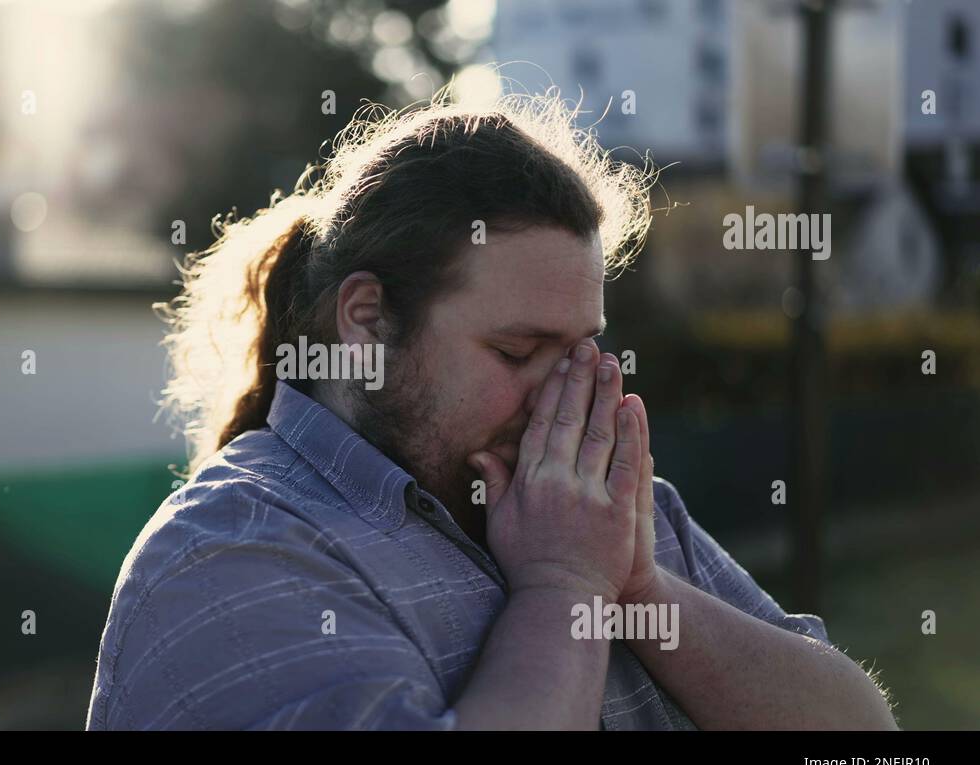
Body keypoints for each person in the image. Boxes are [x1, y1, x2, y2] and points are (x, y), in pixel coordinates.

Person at [85, 86, 898, 730]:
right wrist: (565, 585)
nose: (562, 397)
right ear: (366, 319)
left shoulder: (602, 508)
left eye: (581, 350)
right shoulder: (229, 553)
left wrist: (640, 586)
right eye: (516, 352)